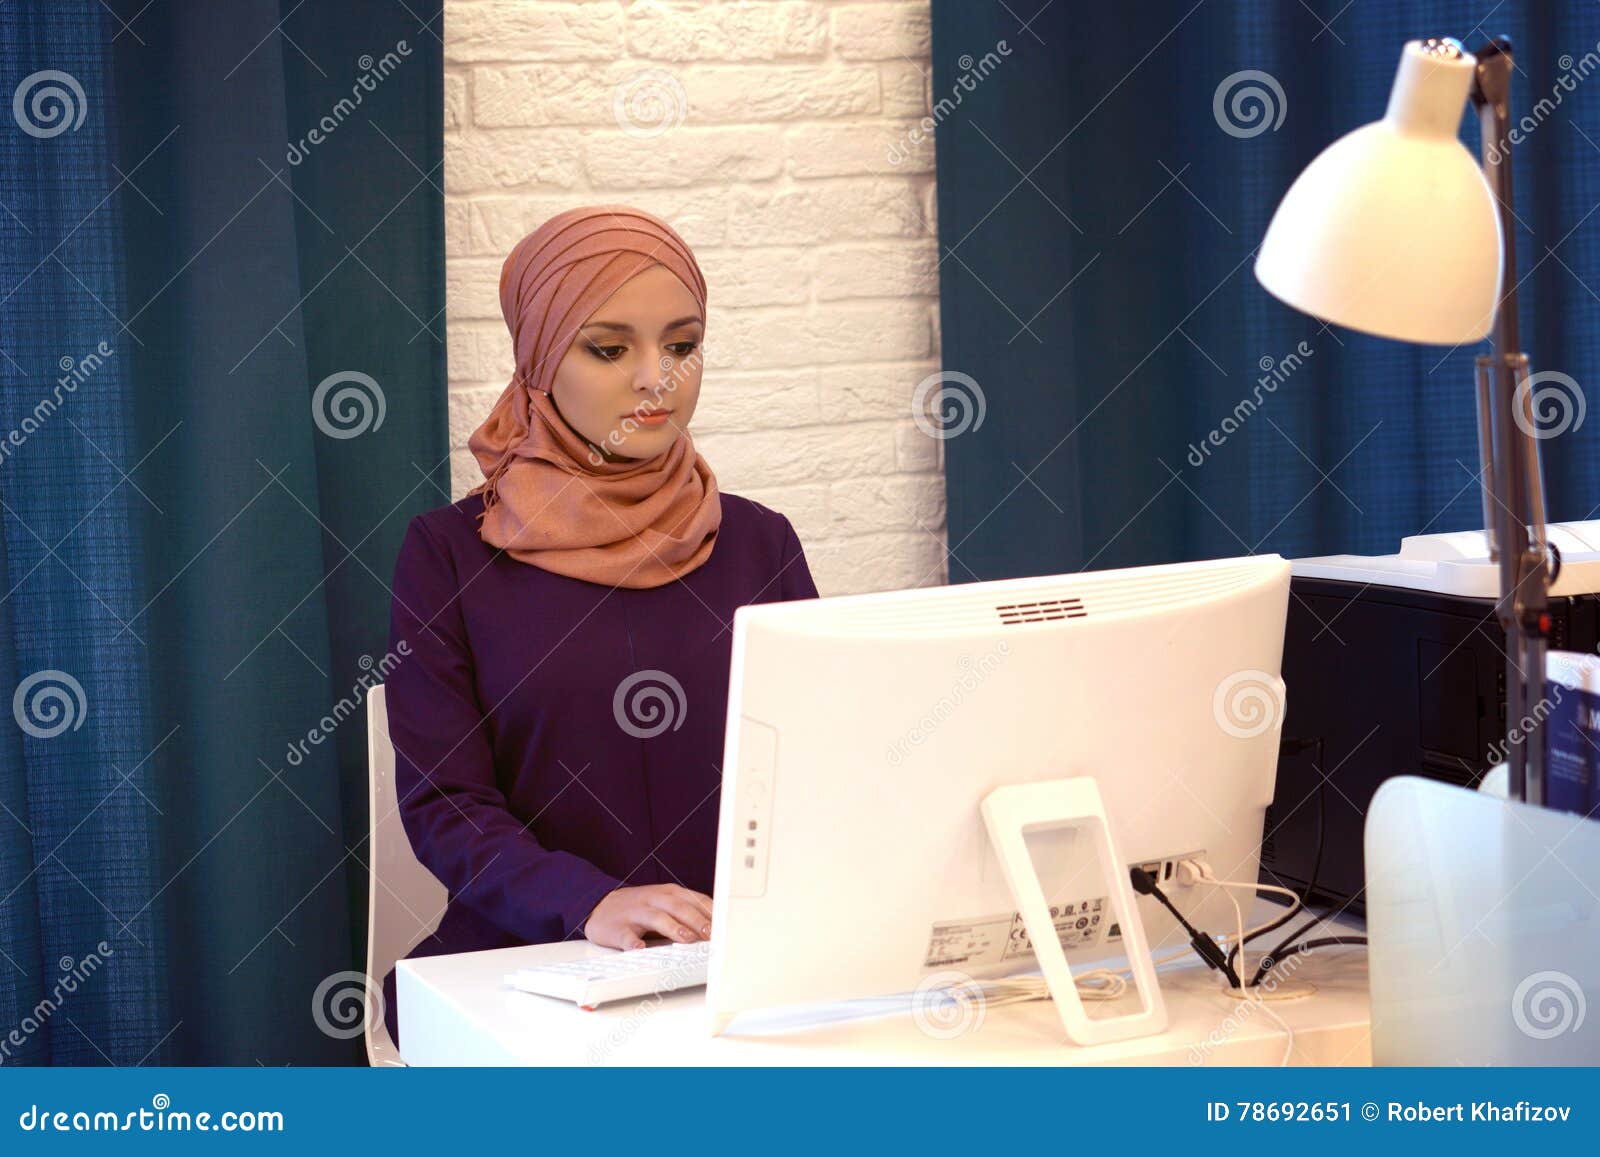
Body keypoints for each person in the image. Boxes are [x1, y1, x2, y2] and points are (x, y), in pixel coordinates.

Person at [378, 205, 819, 1048]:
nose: (658, 378)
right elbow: (446, 802)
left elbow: (827, 761)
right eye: (610, 349)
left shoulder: (760, 539)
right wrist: (588, 901)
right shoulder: (448, 555)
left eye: (683, 345)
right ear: (542, 358)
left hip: (739, 970)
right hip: (527, 967)